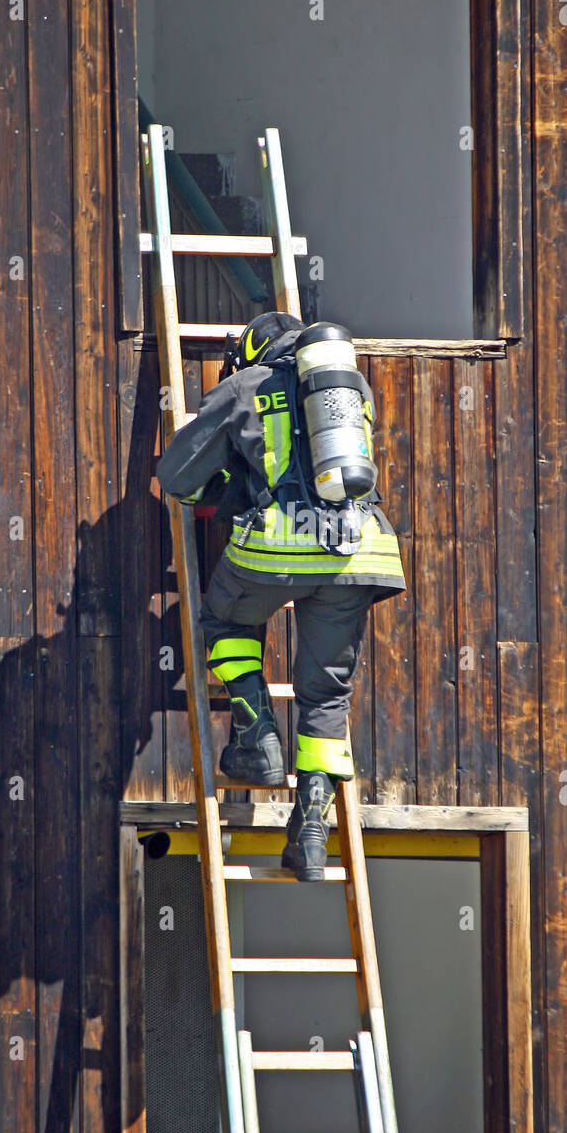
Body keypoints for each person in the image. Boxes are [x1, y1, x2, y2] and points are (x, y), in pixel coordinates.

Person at [156, 311, 406, 880]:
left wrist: (221, 492)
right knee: (327, 690)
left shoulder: (245, 385)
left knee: (224, 621)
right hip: (360, 549)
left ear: (249, 351)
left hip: (279, 544)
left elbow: (178, 477)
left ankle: (256, 735)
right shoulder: (349, 387)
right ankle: (312, 828)